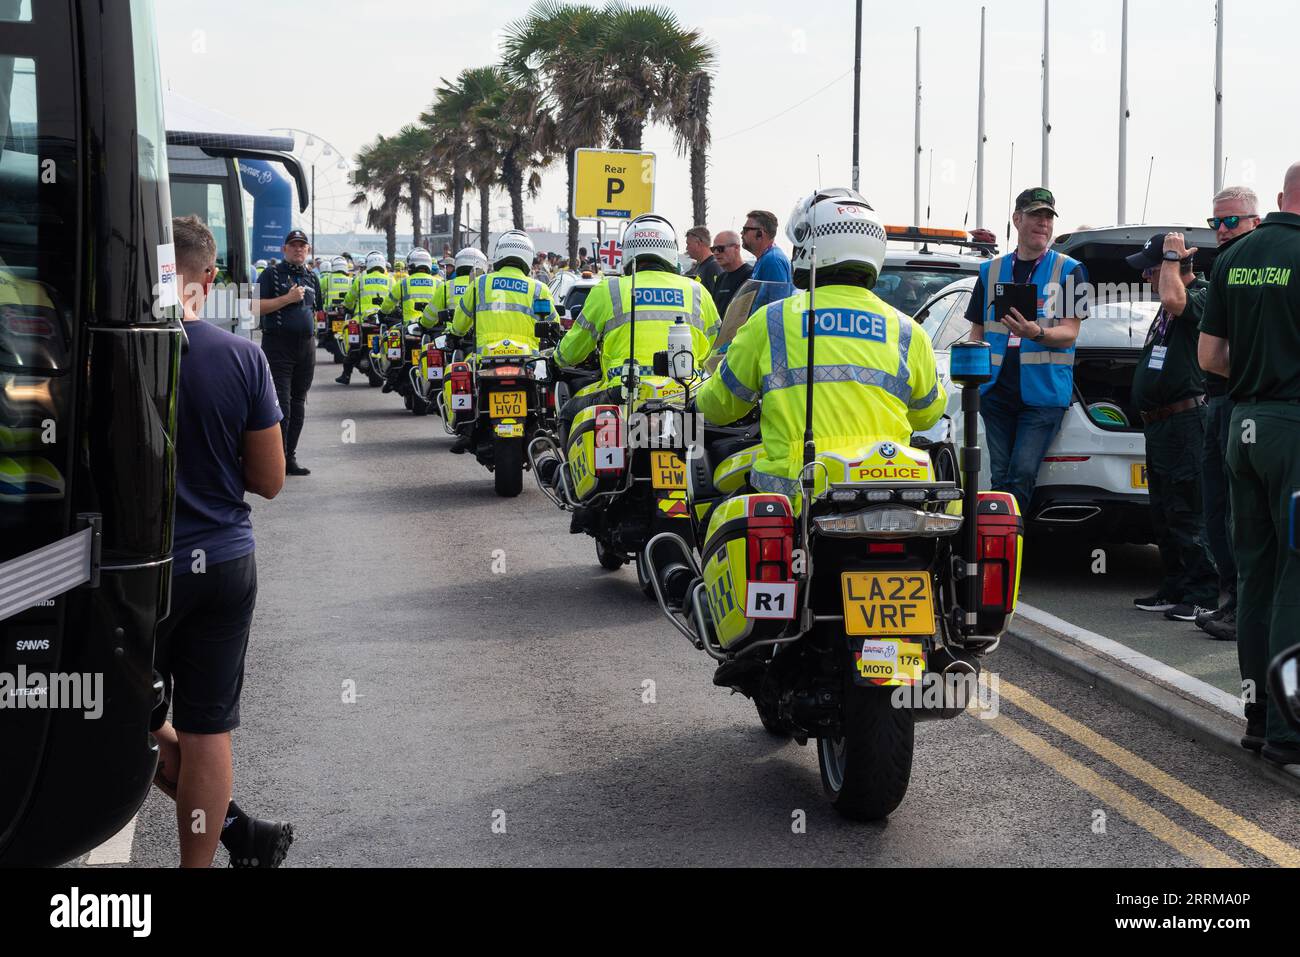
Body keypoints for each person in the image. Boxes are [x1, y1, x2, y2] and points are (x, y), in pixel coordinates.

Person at [152, 216, 293, 868]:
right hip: (226, 561)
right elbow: (269, 480)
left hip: (142, 570)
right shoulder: (242, 357)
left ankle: (237, 831)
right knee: (208, 730)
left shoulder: (116, 351)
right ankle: (213, 852)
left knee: (117, 709)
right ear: (208, 278)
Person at [697, 188, 945, 504]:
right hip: (888, 496)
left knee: (720, 522)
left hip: (797, 503)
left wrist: (697, 402)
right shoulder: (907, 330)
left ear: (810, 246)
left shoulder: (772, 321)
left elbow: (721, 405)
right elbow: (926, 415)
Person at [1199, 161, 1300, 767]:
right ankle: (1292, 731)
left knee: (1255, 574)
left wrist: (1261, 372)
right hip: (1294, 430)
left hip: (1244, 428)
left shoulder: (1236, 257)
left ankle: (1259, 718)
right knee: (1296, 577)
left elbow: (1211, 357)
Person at [549, 213, 719, 456]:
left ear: (627, 252)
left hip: (622, 395)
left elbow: (575, 346)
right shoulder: (697, 291)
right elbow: (717, 349)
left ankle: (573, 486)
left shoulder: (610, 289)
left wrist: (558, 359)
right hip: (685, 398)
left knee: (568, 413)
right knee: (699, 460)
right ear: (671, 251)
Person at [965, 187, 1089, 516]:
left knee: (1020, 474)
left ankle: (1011, 548)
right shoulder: (989, 271)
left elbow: (1071, 331)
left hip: (1043, 394)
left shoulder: (1070, 270)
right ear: (1017, 219)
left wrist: (1037, 332)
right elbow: (976, 330)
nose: (1043, 223)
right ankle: (1000, 548)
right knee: (1001, 475)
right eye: (1036, 215)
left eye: (1048, 217)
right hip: (995, 392)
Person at [1124, 232, 1219, 622]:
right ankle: (1176, 584)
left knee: (1187, 508)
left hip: (1185, 421)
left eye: (1154, 268)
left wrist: (1171, 261)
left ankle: (1204, 591)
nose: (1148, 276)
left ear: (1176, 266)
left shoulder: (1200, 295)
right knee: (1163, 510)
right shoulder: (1166, 310)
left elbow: (1173, 298)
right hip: (1161, 424)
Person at [1196, 186, 1262, 641]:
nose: (1221, 231)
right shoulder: (1226, 266)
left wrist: (1248, 378)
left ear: (1255, 220)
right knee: (1217, 509)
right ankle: (1231, 604)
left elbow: (1214, 354)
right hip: (1222, 401)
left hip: (1243, 401)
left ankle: (1241, 609)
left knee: (1240, 514)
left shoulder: (1252, 265)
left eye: (1231, 222)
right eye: (1215, 223)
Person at [447, 230, 555, 453]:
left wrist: (454, 336)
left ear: (499, 255)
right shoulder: (538, 289)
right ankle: (543, 425)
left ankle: (466, 427)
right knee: (547, 386)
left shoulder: (480, 284)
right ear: (527, 257)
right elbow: (553, 324)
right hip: (528, 363)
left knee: (462, 376)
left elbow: (459, 322)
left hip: (485, 360)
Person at [255, 229, 321, 477]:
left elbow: (315, 310)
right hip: (278, 346)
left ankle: (289, 456)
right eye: (293, 245)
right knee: (281, 404)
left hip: (305, 347)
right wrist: (287, 298)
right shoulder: (270, 274)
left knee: (298, 402)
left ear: (308, 250)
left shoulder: (312, 277)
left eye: (302, 246)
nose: (298, 249)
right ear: (284, 249)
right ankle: (276, 459)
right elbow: (252, 307)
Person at [336, 251, 391, 385]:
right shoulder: (390, 279)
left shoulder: (361, 278)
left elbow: (350, 299)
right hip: (383, 321)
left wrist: (345, 306)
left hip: (363, 320)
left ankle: (346, 375)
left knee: (353, 346)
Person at [421, 246, 487, 333]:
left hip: (452, 338)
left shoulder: (446, 286)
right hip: (482, 338)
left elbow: (429, 318)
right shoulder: (487, 286)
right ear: (482, 266)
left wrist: (423, 324)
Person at [742, 209, 793, 311]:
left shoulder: (773, 260)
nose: (741, 233)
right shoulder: (765, 258)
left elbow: (777, 309)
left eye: (746, 229)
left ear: (760, 234)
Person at [684, 225, 722, 296]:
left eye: (688, 244)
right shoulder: (697, 267)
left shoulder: (714, 266)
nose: (686, 248)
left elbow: (718, 298)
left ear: (698, 243)